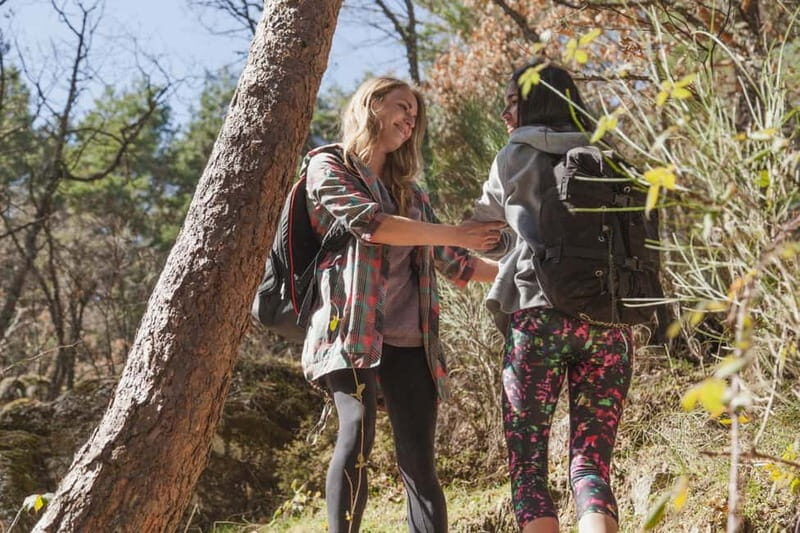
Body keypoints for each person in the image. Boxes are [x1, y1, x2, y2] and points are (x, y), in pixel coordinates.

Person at [302, 76, 502, 533]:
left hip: (414, 343)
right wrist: (454, 232)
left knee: (420, 465)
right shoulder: (328, 165)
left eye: (415, 114)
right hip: (351, 334)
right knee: (355, 438)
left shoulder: (413, 194)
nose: (410, 120)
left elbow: (457, 264)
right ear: (371, 106)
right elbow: (369, 223)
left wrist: (527, 273)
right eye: (401, 107)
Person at [471, 61, 633, 533]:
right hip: (609, 324)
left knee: (528, 470)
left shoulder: (514, 156)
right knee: (590, 465)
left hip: (538, 321)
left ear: (531, 103)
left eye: (510, 103)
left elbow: (485, 230)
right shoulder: (607, 151)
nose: (504, 115)